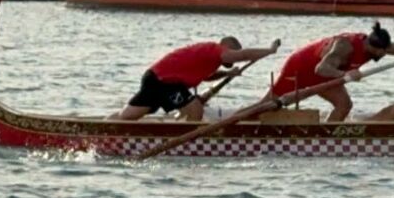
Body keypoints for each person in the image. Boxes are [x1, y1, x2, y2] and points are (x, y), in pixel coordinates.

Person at [266, 22, 394, 122]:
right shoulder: (345, 46)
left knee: (345, 104)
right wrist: (344, 76)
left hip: (325, 76)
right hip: (301, 67)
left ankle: (327, 136)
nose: (383, 55)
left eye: (386, 51)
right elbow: (321, 68)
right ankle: (243, 122)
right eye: (381, 52)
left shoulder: (378, 45)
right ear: (371, 46)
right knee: (267, 103)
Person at [112, 37, 281, 121]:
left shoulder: (211, 60)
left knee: (129, 115)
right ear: (227, 47)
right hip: (165, 81)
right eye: (233, 53)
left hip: (155, 78)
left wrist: (228, 74)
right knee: (195, 109)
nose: (232, 60)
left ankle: (105, 126)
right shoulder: (215, 50)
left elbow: (207, 77)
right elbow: (243, 55)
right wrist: (269, 50)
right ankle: (185, 140)